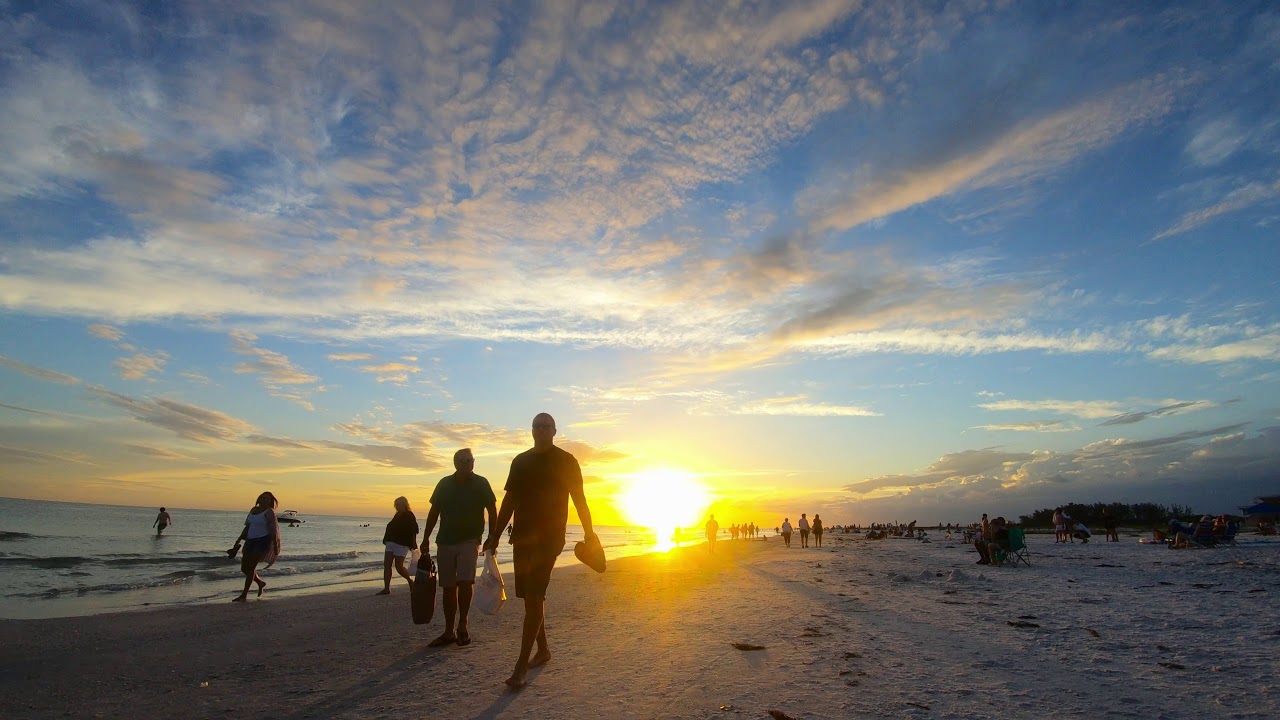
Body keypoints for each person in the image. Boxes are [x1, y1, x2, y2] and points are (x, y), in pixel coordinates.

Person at [483, 413, 596, 690]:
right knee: (531, 598)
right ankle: (543, 650)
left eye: (547, 426)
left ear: (555, 430)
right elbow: (509, 500)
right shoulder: (521, 461)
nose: (542, 430)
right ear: (531, 430)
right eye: (537, 426)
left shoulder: (566, 461)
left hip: (550, 538)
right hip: (522, 537)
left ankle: (520, 666)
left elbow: (579, 497)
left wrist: (589, 533)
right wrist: (494, 535)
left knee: (534, 595)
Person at [422, 448, 497, 648]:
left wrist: (492, 536)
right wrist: (425, 538)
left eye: (469, 460)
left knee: (465, 583)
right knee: (448, 587)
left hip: (469, 540)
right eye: (461, 460)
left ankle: (462, 625)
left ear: (474, 462)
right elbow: (433, 511)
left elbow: (492, 509)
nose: (465, 463)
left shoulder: (481, 483)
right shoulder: (444, 484)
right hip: (445, 540)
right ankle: (448, 631)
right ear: (455, 463)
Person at [230, 492, 281, 602]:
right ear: (259, 499)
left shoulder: (269, 512)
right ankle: (260, 583)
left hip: (262, 541)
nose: (264, 500)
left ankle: (244, 595)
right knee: (244, 568)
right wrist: (238, 540)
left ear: (270, 501)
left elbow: (274, 530)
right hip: (250, 541)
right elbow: (248, 526)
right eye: (263, 498)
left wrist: (275, 545)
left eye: (267, 499)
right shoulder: (253, 510)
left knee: (251, 567)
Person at [378, 496, 419, 595]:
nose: (397, 506)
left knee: (398, 567)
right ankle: (387, 588)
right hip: (391, 542)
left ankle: (410, 581)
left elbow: (415, 529)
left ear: (404, 504)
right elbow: (390, 527)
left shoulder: (409, 515)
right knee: (387, 565)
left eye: (399, 504)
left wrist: (412, 543)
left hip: (402, 544)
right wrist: (386, 539)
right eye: (396, 505)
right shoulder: (397, 515)